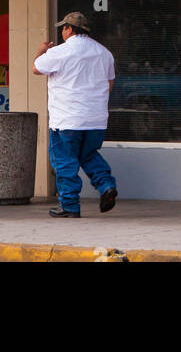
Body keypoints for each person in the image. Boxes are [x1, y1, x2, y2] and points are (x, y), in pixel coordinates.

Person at [33, 11, 117, 218]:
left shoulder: (60, 52)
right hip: (96, 120)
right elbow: (110, 83)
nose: (62, 31)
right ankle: (106, 186)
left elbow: (36, 69)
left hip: (67, 119)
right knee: (88, 155)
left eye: (63, 28)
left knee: (65, 161)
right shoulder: (103, 52)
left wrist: (42, 51)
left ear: (69, 29)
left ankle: (69, 206)